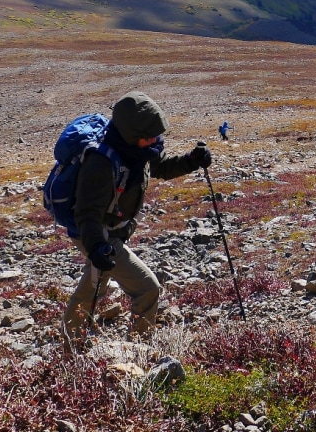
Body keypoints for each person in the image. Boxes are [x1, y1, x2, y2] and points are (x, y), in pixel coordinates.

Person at [62, 91, 211, 344]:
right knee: (147, 288)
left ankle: (70, 345)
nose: (154, 140)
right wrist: (98, 246)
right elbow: (86, 214)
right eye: (148, 136)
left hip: (110, 233)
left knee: (93, 285)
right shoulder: (101, 163)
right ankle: (139, 351)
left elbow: (160, 166)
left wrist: (190, 161)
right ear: (131, 134)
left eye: (156, 134)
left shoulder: (138, 151)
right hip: (100, 235)